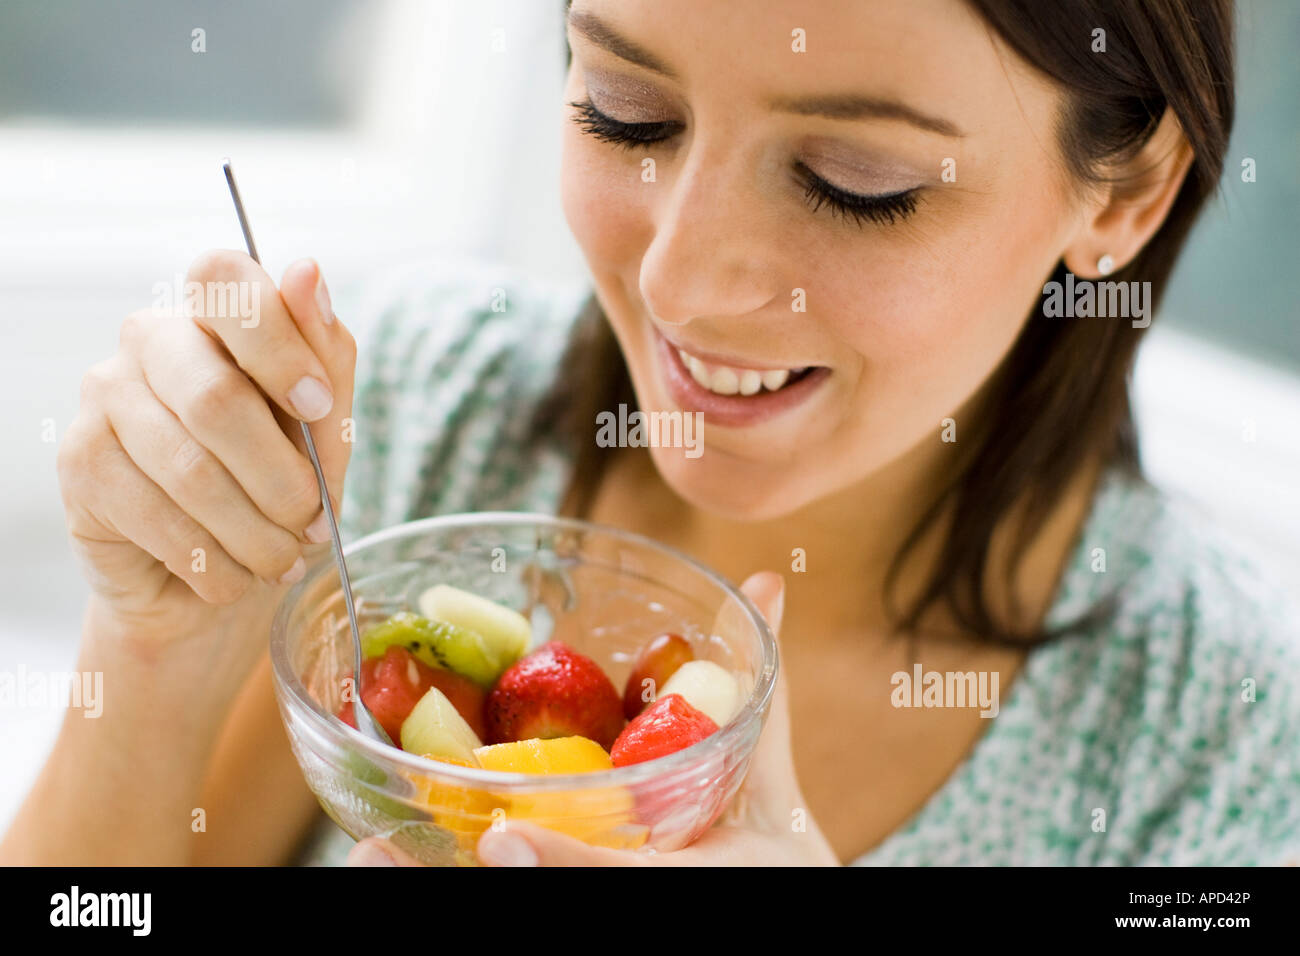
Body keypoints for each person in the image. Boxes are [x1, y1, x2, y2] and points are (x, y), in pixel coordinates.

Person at [5, 0, 1297, 867]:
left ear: (1123, 191)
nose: (683, 282)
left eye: (859, 186)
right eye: (626, 112)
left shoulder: (1218, 744)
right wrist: (158, 657)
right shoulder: (415, 417)